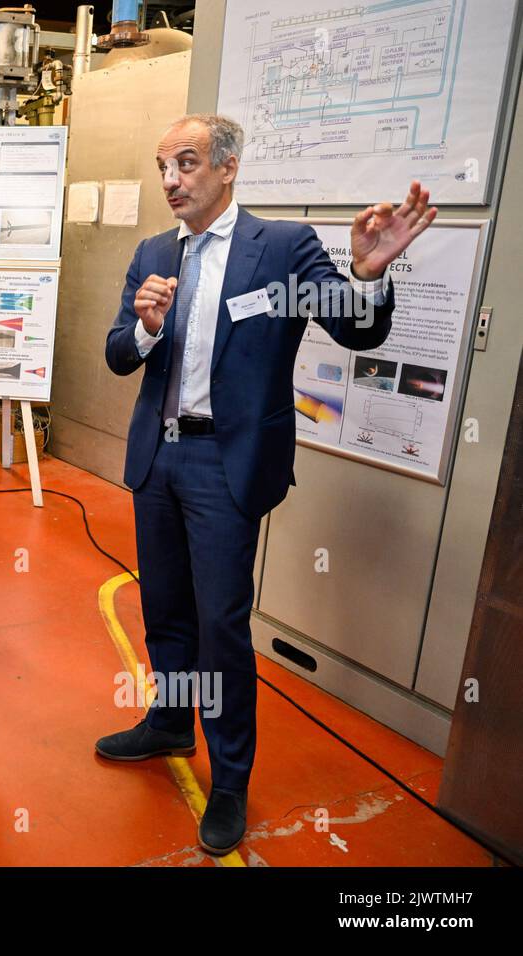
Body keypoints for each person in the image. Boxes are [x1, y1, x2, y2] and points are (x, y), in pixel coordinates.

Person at [97, 113, 436, 854]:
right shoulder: (155, 251)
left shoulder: (281, 248)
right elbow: (120, 353)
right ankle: (167, 723)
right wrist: (146, 328)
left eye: (185, 164)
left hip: (227, 464)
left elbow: (353, 330)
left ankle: (229, 779)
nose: (171, 181)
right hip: (160, 458)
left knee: (221, 628)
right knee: (165, 611)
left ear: (227, 167)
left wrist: (369, 276)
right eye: (163, 167)